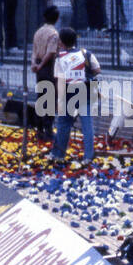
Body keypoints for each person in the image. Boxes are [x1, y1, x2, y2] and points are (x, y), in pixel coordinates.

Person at [50, 27, 100, 164]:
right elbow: (97, 69)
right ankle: (88, 157)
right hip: (85, 91)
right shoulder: (86, 53)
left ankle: (59, 154)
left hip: (68, 93)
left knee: (63, 124)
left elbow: (59, 80)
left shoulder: (60, 58)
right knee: (87, 124)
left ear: (61, 42)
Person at [31, 6, 61, 140]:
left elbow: (34, 50)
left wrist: (34, 64)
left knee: (40, 97)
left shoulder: (38, 32)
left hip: (38, 65)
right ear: (57, 18)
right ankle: (48, 129)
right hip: (48, 67)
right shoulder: (54, 34)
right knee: (50, 98)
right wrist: (42, 64)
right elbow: (50, 52)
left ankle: (39, 129)